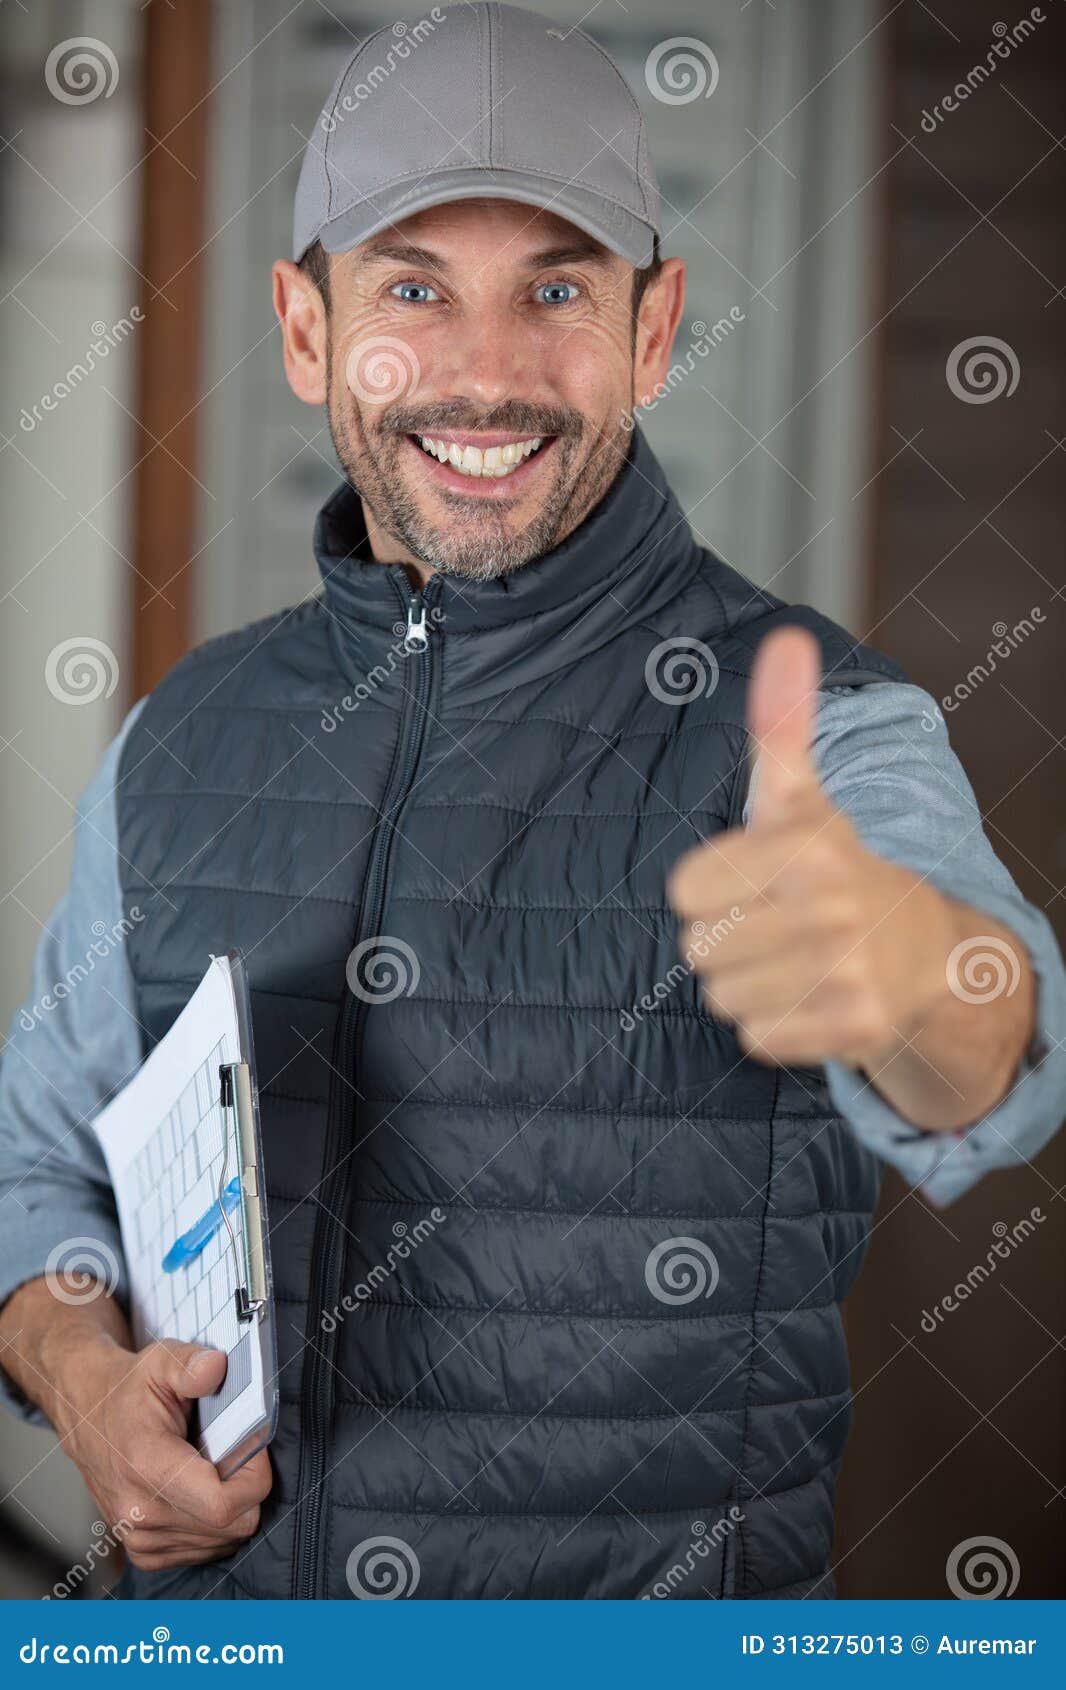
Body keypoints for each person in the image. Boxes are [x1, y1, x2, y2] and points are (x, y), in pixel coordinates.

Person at [0, 3, 1063, 1601]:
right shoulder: (177, 739)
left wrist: (913, 968)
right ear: (305, 331)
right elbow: (38, 1172)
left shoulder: (824, 732)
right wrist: (80, 1378)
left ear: (652, 327)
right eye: (413, 289)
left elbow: (995, 1047)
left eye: (553, 289)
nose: (485, 375)